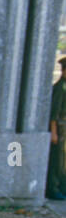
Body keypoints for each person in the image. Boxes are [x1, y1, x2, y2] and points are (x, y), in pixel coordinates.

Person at [48, 55, 66, 201]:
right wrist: (53, 133)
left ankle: (62, 187)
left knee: (62, 162)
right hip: (59, 128)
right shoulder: (60, 88)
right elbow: (53, 113)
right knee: (56, 160)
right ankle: (53, 189)